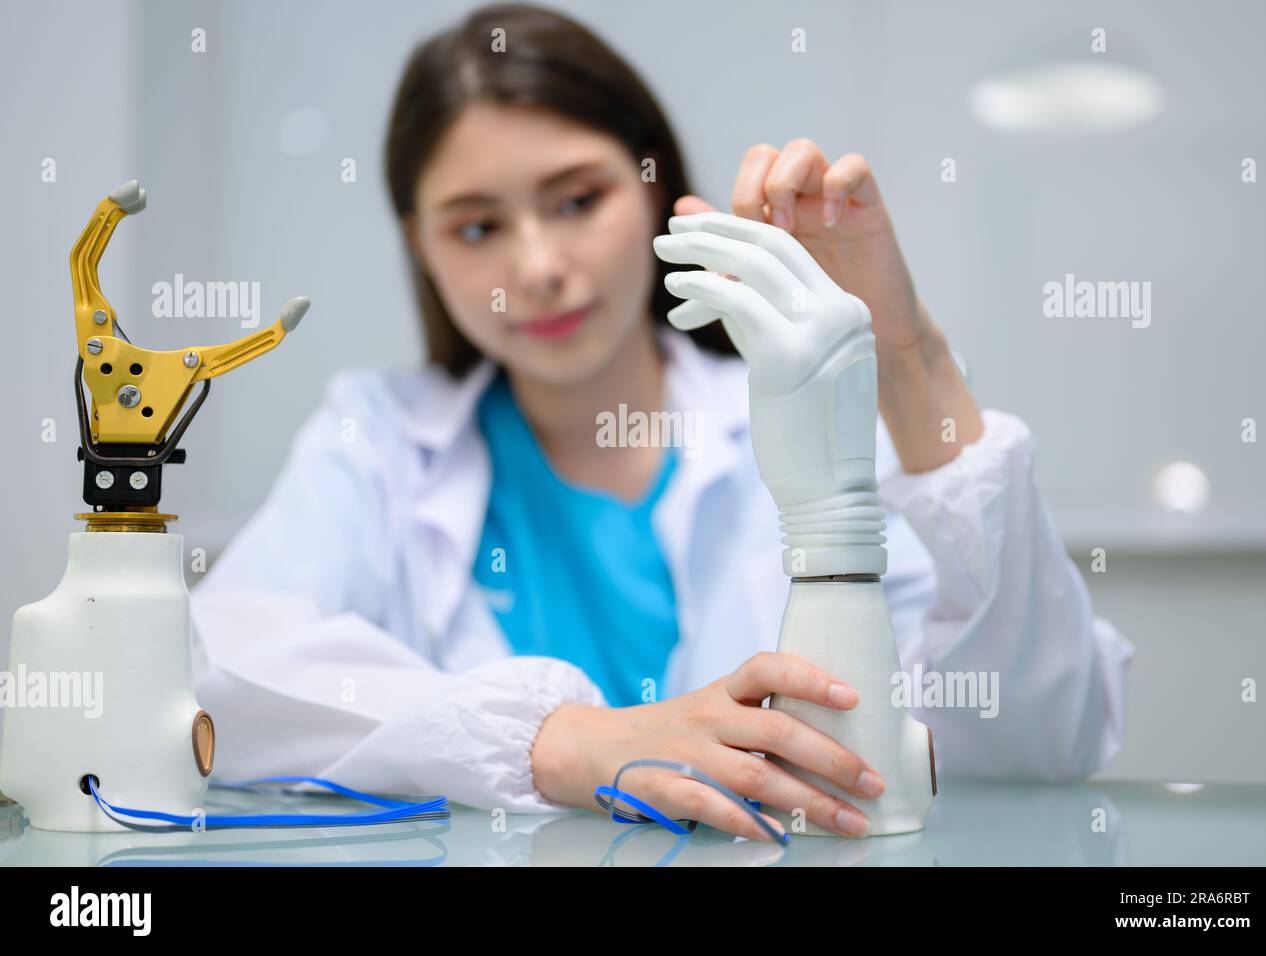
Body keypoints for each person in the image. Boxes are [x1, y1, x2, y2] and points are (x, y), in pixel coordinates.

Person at [190, 3, 1135, 841]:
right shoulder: (379, 441)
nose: (538, 266)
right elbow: (208, 672)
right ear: (419, 246)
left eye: (577, 200)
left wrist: (907, 359)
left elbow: (1042, 741)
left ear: (652, 184)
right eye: (477, 227)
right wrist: (560, 741)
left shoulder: (809, 408)